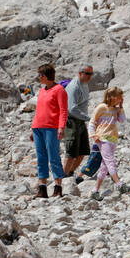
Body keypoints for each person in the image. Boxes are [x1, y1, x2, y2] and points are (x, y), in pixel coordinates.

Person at [30, 64, 67, 198]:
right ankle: (42, 188)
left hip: (52, 128)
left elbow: (63, 111)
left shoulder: (59, 90)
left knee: (54, 157)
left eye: (40, 75)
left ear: (46, 76)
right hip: (38, 128)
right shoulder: (41, 90)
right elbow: (39, 111)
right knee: (41, 158)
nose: (39, 77)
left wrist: (61, 127)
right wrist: (33, 128)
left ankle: (58, 188)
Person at [88, 87, 130, 196]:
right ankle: (120, 185)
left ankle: (95, 191)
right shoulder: (101, 107)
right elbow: (92, 122)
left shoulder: (116, 109)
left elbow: (122, 120)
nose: (121, 98)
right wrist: (93, 135)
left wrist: (121, 107)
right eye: (119, 96)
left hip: (113, 139)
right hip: (103, 138)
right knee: (110, 161)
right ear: (112, 97)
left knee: (104, 166)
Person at [62, 66, 93, 180]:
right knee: (71, 152)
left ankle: (69, 174)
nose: (90, 76)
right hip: (71, 121)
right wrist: (88, 118)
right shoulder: (74, 86)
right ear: (80, 73)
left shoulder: (85, 85)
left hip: (80, 121)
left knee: (83, 151)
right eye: (87, 74)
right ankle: (62, 178)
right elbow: (72, 108)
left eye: (91, 74)